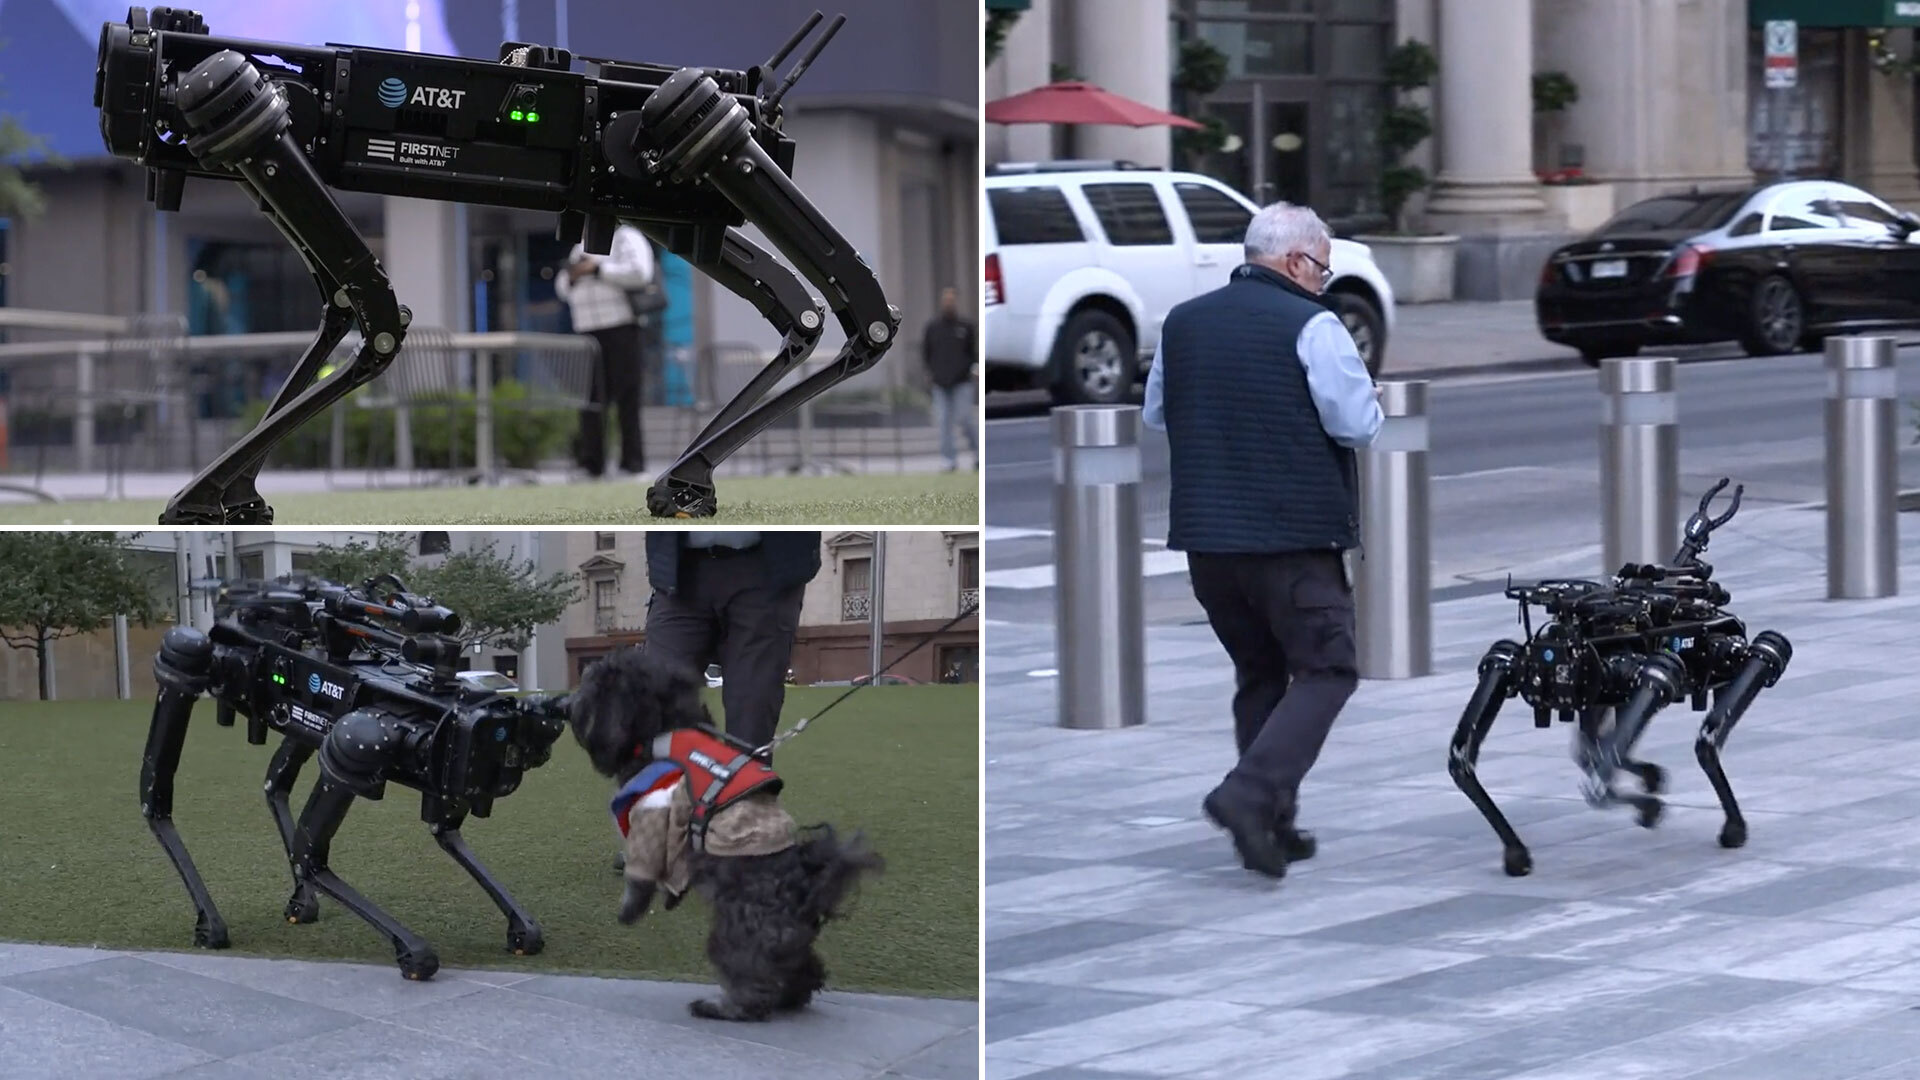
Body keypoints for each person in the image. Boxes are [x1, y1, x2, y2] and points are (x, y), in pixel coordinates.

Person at [1142, 201, 1384, 880]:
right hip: (1292, 539)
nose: (1324, 282)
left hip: (1208, 547)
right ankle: (1248, 795)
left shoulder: (1182, 324)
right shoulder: (1314, 325)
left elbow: (1157, 413)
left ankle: (1272, 824)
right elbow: (1356, 425)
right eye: (1324, 270)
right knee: (1327, 669)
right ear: (1297, 261)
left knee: (1259, 673)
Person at [640, 531, 822, 751]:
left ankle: (745, 782)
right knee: (660, 706)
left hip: (768, 569)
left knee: (752, 718)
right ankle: (667, 783)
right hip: (678, 570)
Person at [554, 223, 655, 481]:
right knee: (590, 401)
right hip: (587, 330)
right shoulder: (581, 245)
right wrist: (574, 276)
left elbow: (640, 273)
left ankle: (633, 465)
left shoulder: (627, 237)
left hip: (622, 326)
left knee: (627, 399)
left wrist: (598, 269)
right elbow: (562, 287)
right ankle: (592, 465)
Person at [921, 286, 978, 472]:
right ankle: (948, 460)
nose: (949, 303)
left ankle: (978, 454)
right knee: (944, 421)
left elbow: (973, 352)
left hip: (962, 380)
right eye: (946, 299)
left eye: (952, 299)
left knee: (965, 418)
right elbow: (926, 352)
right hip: (940, 381)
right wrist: (929, 372)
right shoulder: (933, 327)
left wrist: (973, 369)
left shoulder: (966, 326)